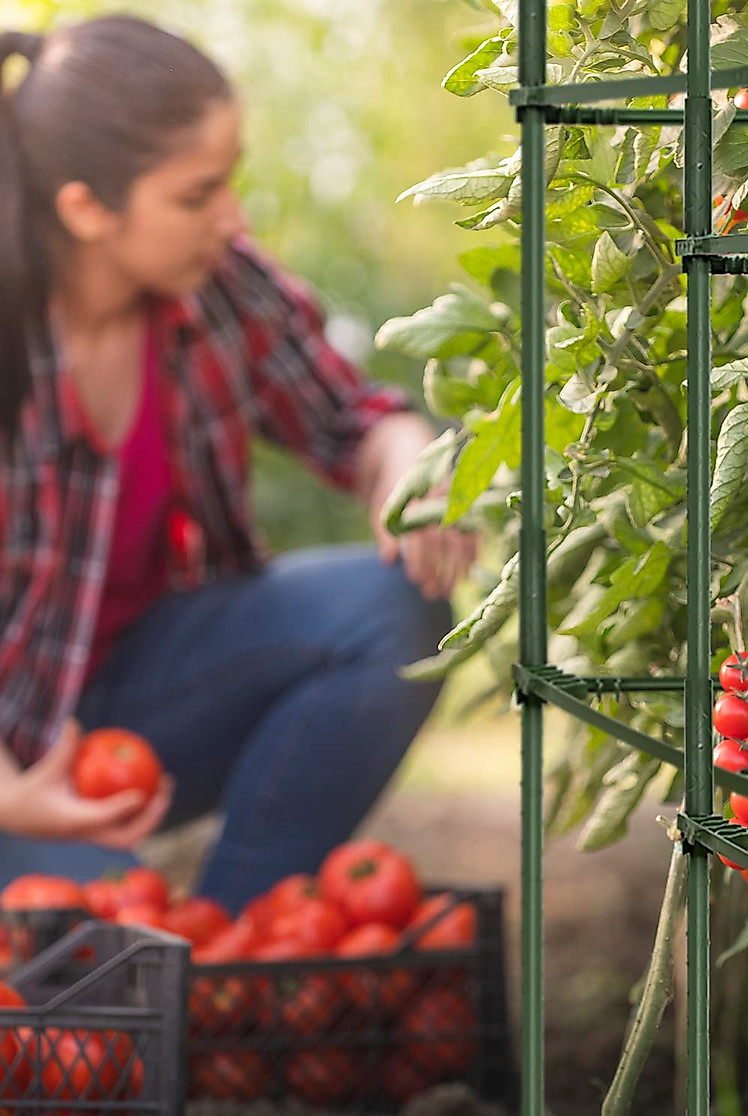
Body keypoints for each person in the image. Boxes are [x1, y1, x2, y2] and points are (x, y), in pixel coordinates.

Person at [0, 15, 476, 913]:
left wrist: (412, 467)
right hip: (11, 751)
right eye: (197, 195)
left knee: (389, 609)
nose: (233, 218)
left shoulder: (218, 286)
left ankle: (237, 944)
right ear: (86, 208)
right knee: (88, 964)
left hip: (142, 690)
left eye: (230, 180)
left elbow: (353, 418)